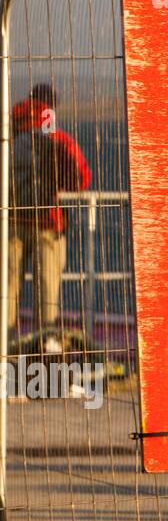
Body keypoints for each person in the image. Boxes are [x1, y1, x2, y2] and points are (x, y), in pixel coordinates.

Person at [8, 83, 91, 347]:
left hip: (11, 222)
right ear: (52, 107)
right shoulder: (53, 135)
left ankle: (5, 347)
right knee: (47, 293)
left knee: (8, 291)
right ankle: (43, 348)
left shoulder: (11, 130)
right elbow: (79, 178)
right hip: (48, 222)